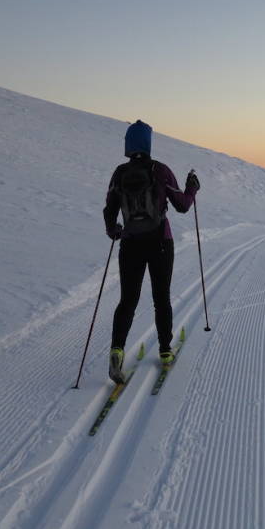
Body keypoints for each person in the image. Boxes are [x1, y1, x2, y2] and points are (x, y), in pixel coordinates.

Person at [103, 120, 199, 382]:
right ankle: (166, 351)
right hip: (160, 243)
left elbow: (109, 210)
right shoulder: (160, 170)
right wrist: (192, 187)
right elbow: (182, 205)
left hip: (130, 244)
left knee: (128, 300)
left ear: (128, 144)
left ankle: (117, 350)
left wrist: (115, 231)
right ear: (148, 143)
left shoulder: (119, 173)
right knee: (161, 297)